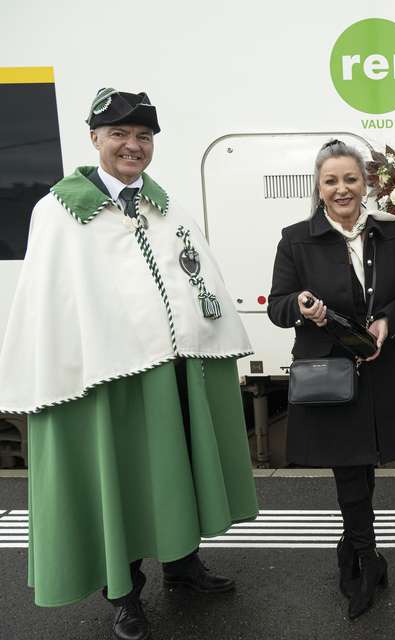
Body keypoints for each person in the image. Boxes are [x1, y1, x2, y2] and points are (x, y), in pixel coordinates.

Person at [0, 88, 259, 640]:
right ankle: (124, 594)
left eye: (142, 137)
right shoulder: (60, 211)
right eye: (118, 134)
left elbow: (192, 280)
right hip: (108, 376)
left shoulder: (165, 207)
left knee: (176, 468)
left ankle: (183, 566)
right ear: (94, 138)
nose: (132, 146)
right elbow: (52, 302)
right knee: (120, 478)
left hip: (171, 371)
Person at [267, 139, 395, 619]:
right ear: (318, 188)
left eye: (351, 179)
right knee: (348, 468)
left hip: (379, 368)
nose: (342, 189)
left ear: (367, 184)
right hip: (330, 371)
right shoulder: (295, 238)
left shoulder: (390, 233)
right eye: (331, 181)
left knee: (364, 464)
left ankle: (354, 548)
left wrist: (387, 322)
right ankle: (365, 557)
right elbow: (277, 306)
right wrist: (299, 306)